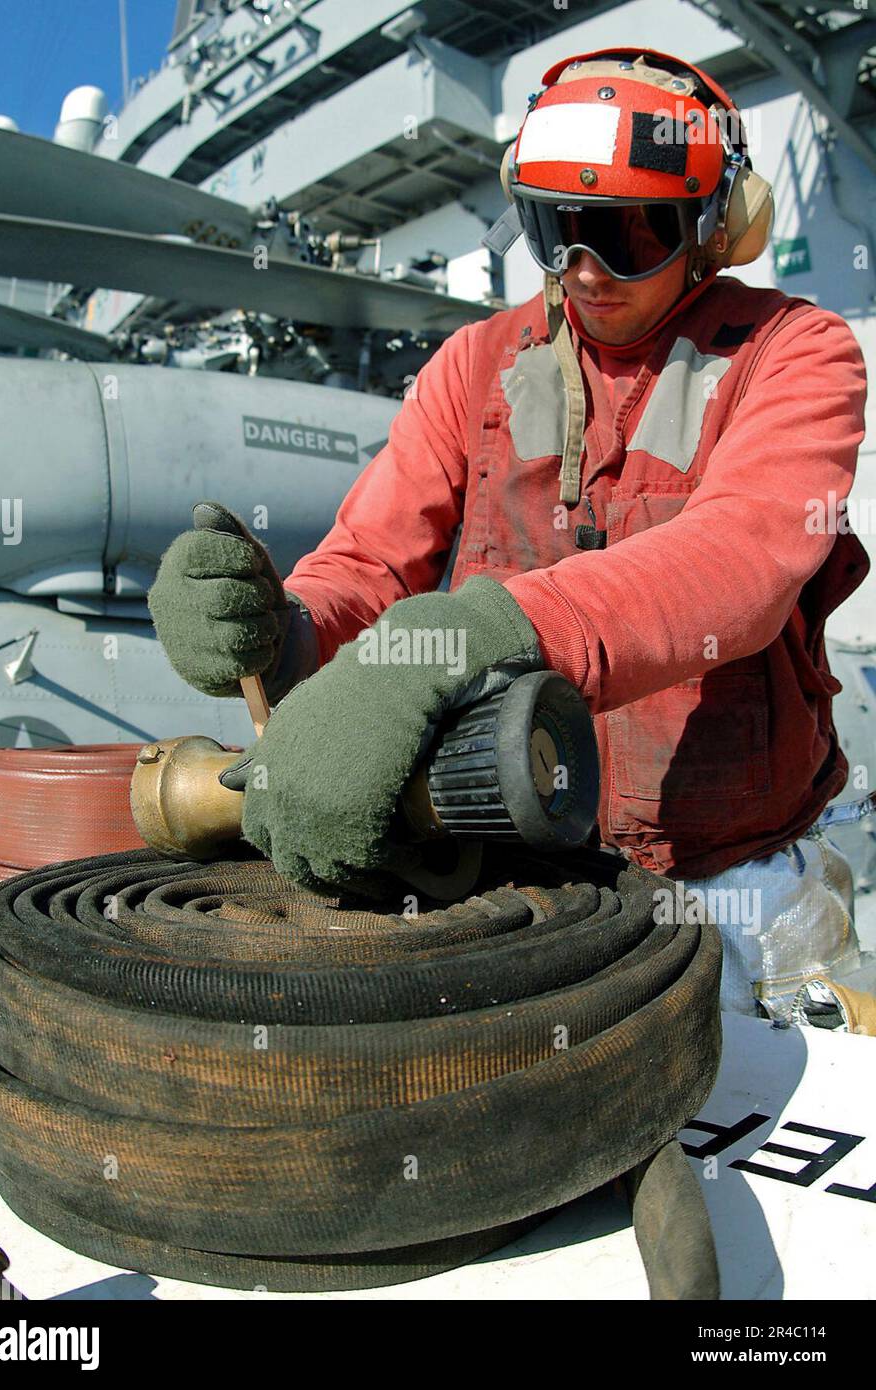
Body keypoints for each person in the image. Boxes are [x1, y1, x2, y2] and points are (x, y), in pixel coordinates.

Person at [148, 48, 869, 1018]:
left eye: (629, 232)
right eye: (555, 226)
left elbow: (739, 563)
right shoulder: (474, 365)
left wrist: (477, 632)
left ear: (713, 227)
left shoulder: (794, 353)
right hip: (517, 872)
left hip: (735, 886)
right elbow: (367, 560)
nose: (584, 268)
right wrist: (283, 627)